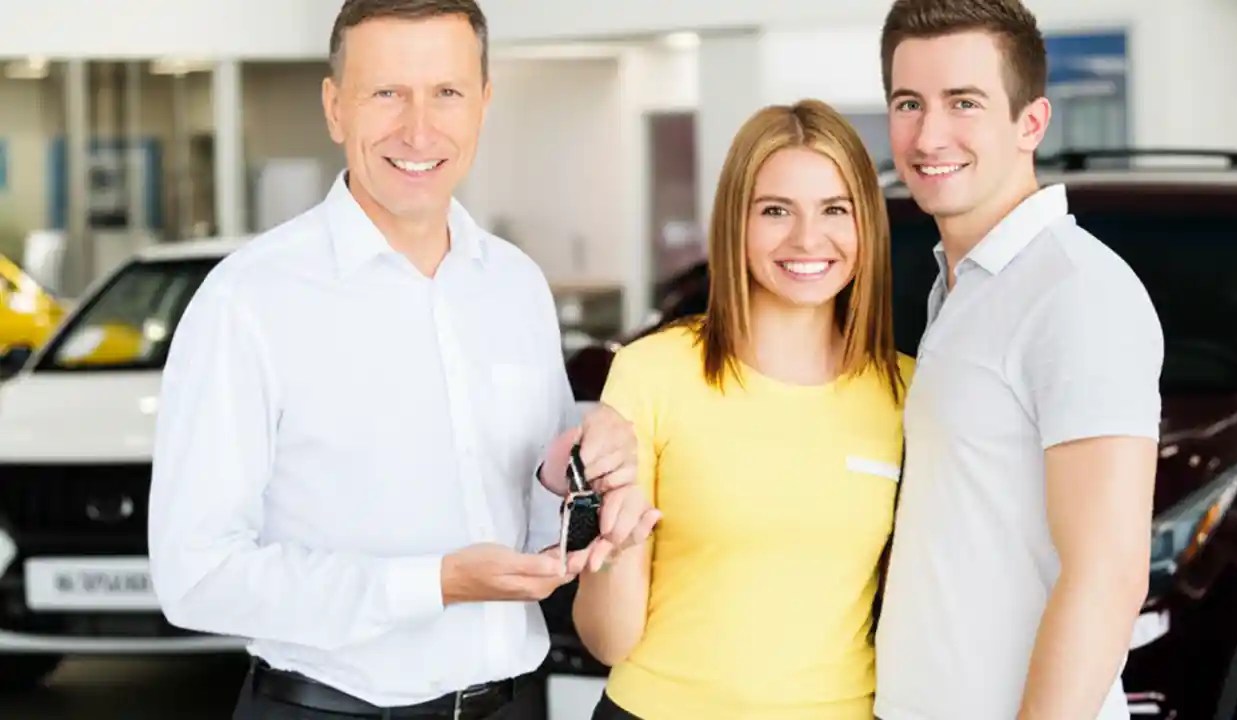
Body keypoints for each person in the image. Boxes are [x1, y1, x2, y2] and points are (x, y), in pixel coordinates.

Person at [147, 1, 659, 718]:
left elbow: (534, 528)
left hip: (507, 705)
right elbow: (193, 575)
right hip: (325, 708)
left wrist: (565, 477)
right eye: (386, 92)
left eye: (446, 92)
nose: (418, 129)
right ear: (335, 108)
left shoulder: (514, 284)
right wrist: (435, 584)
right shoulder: (248, 299)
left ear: (483, 103)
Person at [573, 99, 913, 720]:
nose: (808, 239)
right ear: (736, 221)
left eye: (835, 210)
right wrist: (611, 545)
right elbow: (606, 640)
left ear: (867, 224)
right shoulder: (654, 372)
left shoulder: (907, 394)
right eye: (776, 211)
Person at [871, 1, 1164, 719]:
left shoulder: (1075, 288)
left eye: (963, 103)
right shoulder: (962, 286)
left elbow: (1109, 574)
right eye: (909, 103)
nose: (929, 133)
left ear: (1031, 122)